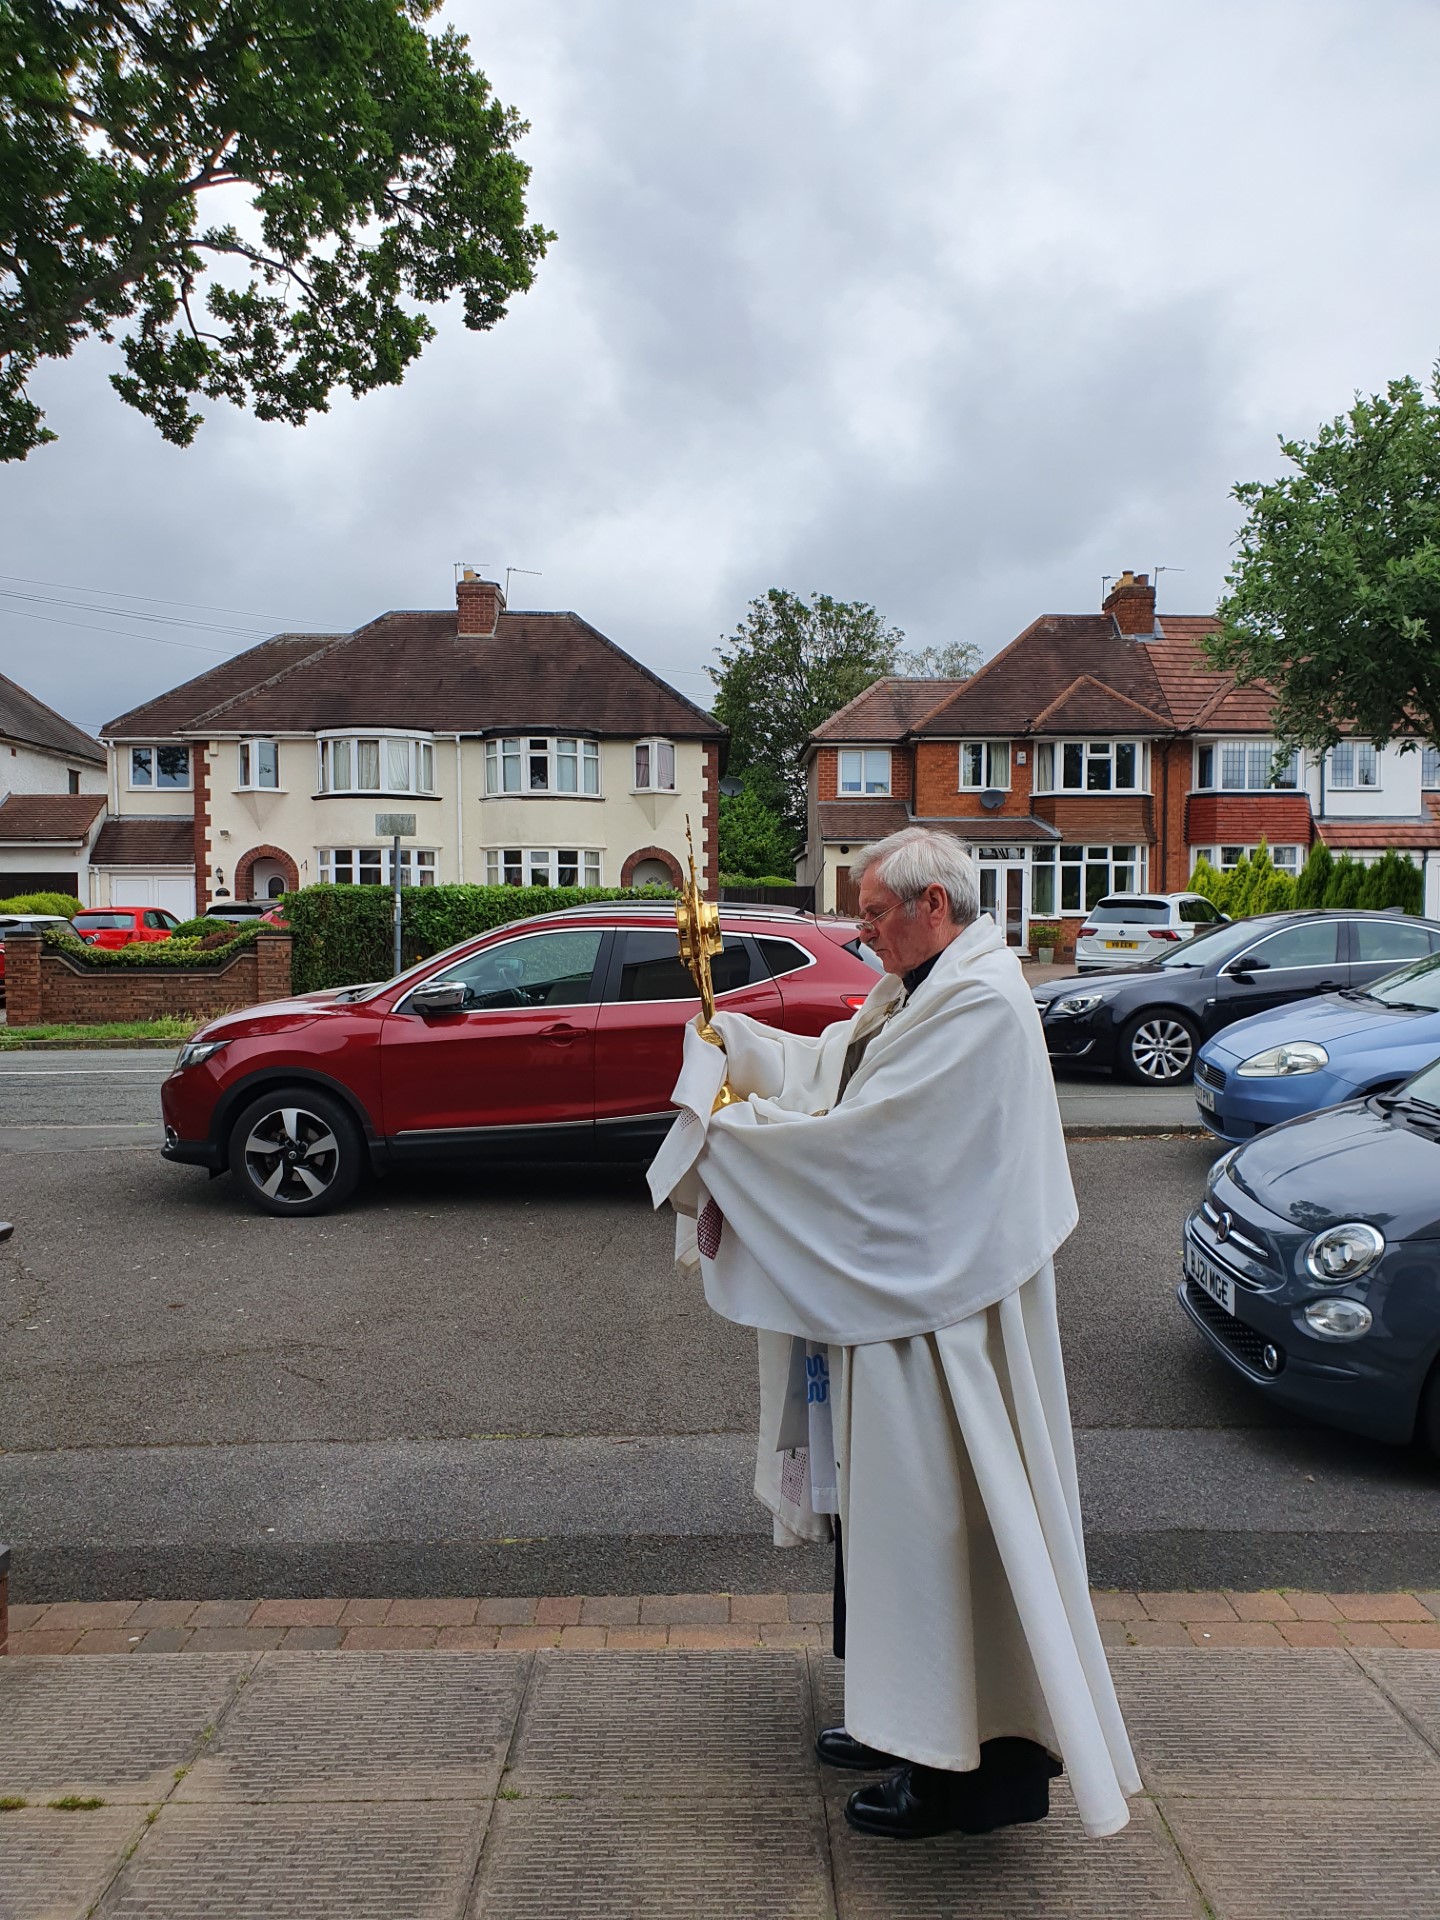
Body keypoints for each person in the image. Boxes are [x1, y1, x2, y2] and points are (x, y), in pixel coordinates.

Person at [648, 826, 1138, 1840]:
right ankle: (899, 1722)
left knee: (940, 1534)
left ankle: (960, 1772)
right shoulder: (923, 989)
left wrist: (730, 1137)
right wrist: (741, 1046)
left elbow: (880, 1152)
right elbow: (843, 1074)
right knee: (882, 1532)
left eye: (873, 914)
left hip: (946, 1331)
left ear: (933, 908)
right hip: (901, 1316)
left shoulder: (983, 1006)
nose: (860, 931)